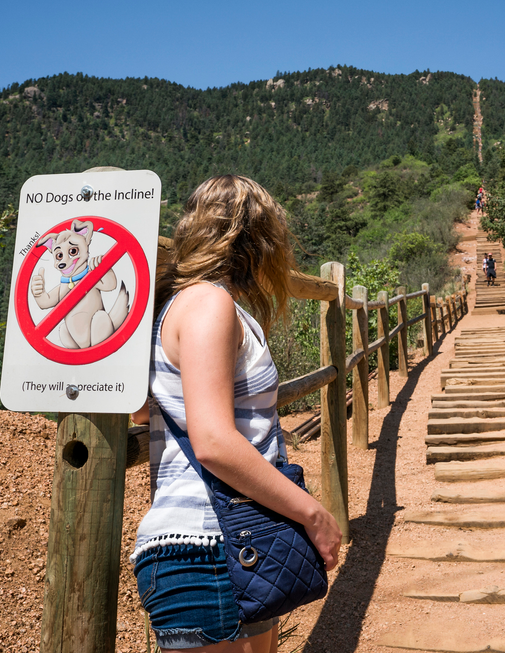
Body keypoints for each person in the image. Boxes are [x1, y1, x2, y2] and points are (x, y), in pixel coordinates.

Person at [129, 175, 341, 653]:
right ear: (258, 237)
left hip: (233, 545)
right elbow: (213, 441)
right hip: (207, 547)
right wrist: (311, 514)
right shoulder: (208, 303)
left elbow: (146, 412)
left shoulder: (180, 306)